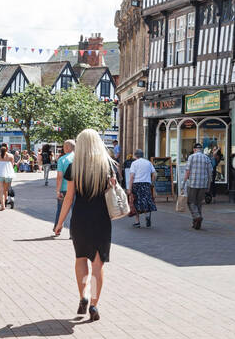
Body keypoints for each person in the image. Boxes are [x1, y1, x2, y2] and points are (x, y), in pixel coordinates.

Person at [52, 129, 119, 322]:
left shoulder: (74, 167)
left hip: (80, 219)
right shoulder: (107, 165)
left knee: (81, 258)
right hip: (101, 219)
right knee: (98, 265)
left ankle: (83, 295)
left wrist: (59, 222)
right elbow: (113, 190)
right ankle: (94, 305)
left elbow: (68, 198)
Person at [181, 143, 214, 230]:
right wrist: (209, 185)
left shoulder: (191, 157)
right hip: (203, 184)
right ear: (201, 149)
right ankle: (196, 223)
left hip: (192, 184)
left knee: (190, 202)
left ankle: (197, 216)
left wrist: (183, 183)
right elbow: (210, 173)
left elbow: (187, 172)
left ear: (194, 149)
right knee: (199, 203)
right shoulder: (206, 158)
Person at [52, 139, 76, 235]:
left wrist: (58, 191)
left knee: (61, 209)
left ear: (66, 147)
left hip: (64, 189)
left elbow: (59, 177)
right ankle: (73, 232)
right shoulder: (79, 159)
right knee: (75, 212)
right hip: (76, 189)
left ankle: (57, 229)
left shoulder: (62, 159)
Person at [128, 148, 157, 228]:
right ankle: (147, 216)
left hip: (136, 184)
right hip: (146, 184)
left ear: (135, 155)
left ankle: (137, 222)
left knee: (136, 202)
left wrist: (129, 188)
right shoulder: (148, 163)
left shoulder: (134, 163)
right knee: (146, 201)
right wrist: (152, 183)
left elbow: (131, 177)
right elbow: (154, 174)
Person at [0, 144, 16, 211]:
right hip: (8, 174)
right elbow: (12, 165)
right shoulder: (11, 156)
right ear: (7, 149)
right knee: (6, 190)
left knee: (0, 191)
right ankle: (4, 203)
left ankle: (2, 206)